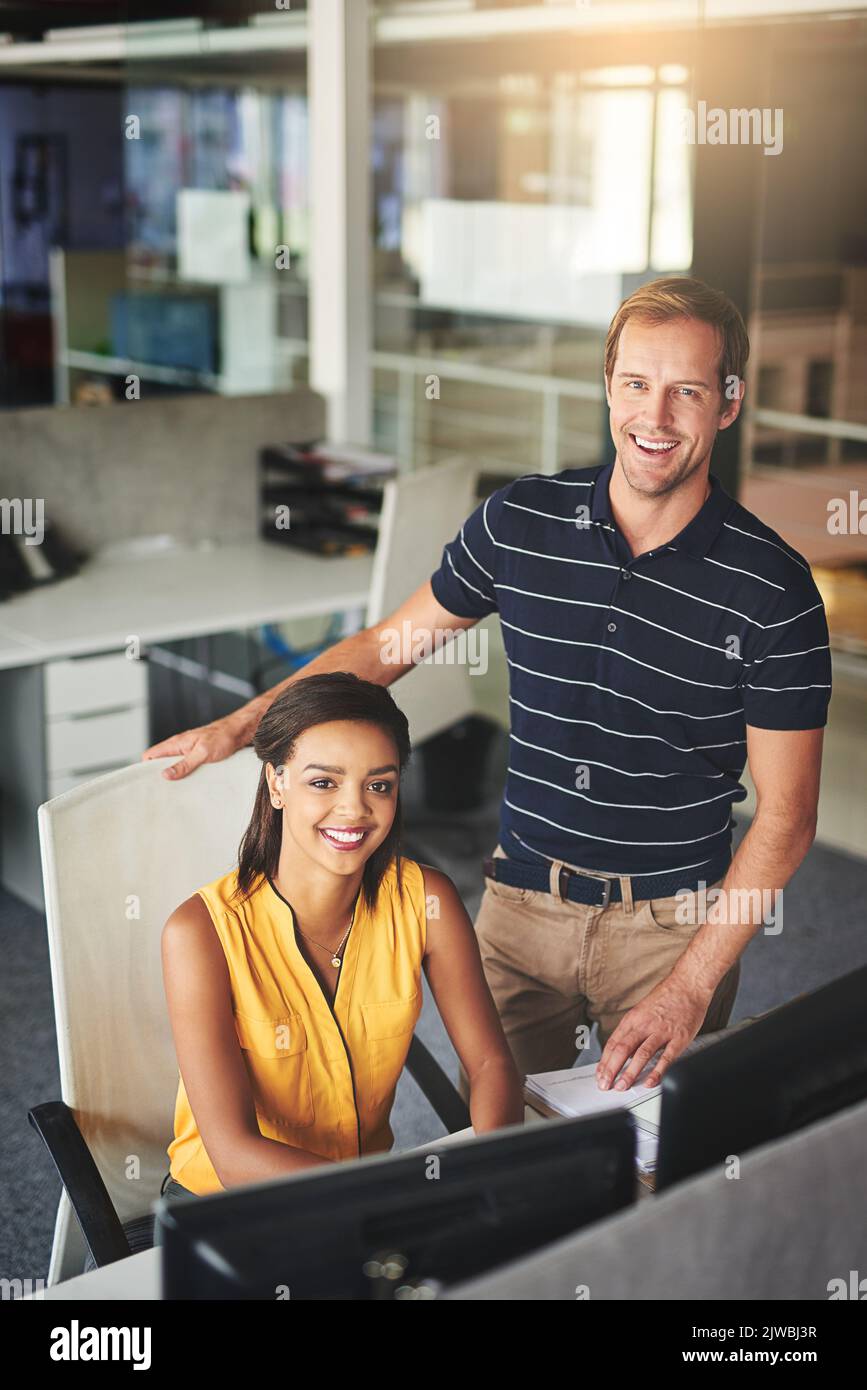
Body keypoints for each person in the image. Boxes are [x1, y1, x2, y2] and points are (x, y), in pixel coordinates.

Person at [146, 277, 831, 1099]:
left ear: (727, 403)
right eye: (636, 384)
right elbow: (383, 646)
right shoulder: (522, 523)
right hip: (516, 907)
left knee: (650, 1172)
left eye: (685, 390)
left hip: (670, 925)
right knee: (508, 1156)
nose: (653, 417)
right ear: (608, 386)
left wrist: (690, 986)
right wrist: (239, 726)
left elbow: (787, 817)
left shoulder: (774, 588)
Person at [160, 672, 522, 1197]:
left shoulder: (428, 901)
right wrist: (390, 1193)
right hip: (229, 1207)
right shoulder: (200, 932)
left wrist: (491, 1166)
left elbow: (490, 1064)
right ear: (277, 783)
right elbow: (234, 1154)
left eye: (379, 785)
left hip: (368, 1196)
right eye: (324, 782)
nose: (354, 809)